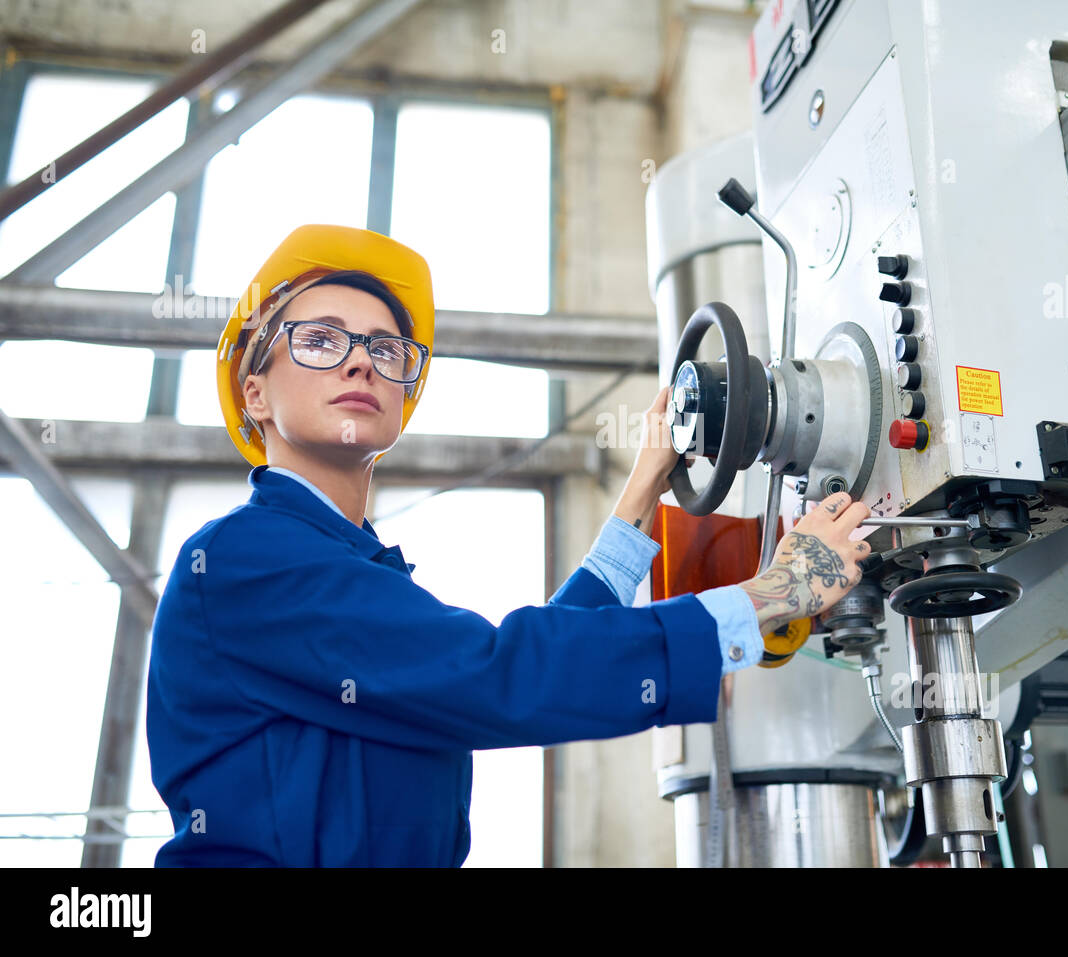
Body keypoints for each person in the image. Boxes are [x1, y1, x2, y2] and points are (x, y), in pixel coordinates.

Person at [145, 224, 872, 866]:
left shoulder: (356, 571)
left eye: (386, 347)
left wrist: (645, 486)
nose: (361, 362)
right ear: (255, 393)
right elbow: (499, 675)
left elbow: (517, 661)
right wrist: (775, 592)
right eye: (321, 339)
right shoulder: (243, 560)